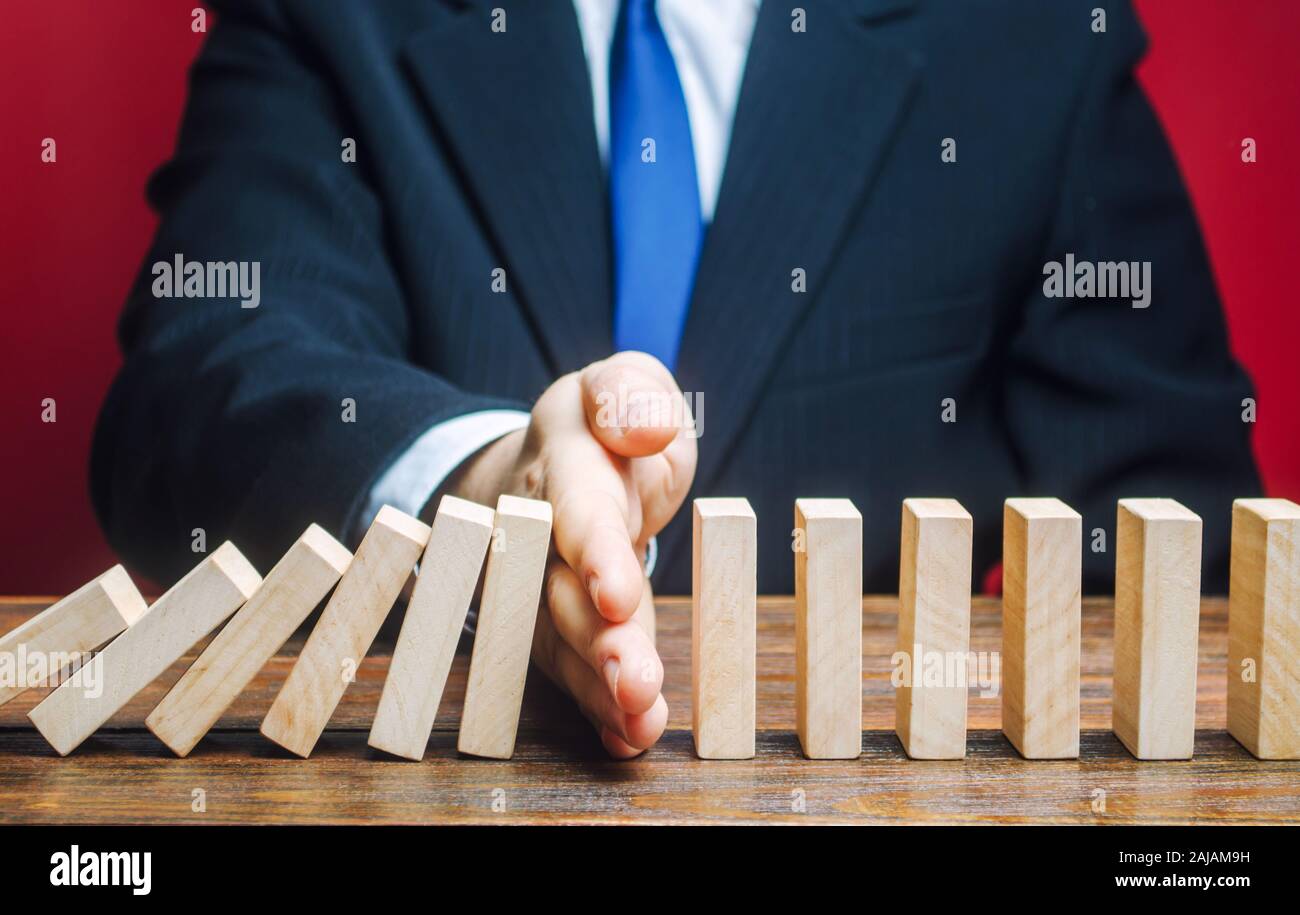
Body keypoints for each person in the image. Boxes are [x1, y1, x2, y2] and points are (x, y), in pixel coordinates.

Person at [92, 0, 1260, 758]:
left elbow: (1183, 537)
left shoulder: (1031, 38)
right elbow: (198, 383)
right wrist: (498, 477)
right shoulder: (329, 18)